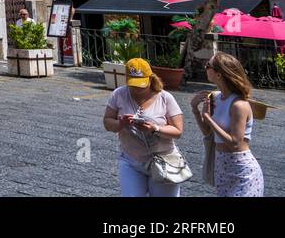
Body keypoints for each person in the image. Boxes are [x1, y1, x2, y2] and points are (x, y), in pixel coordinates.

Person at [104, 58, 186, 197]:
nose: (137, 89)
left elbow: (177, 131)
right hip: (131, 161)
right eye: (133, 85)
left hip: (163, 160)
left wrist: (155, 128)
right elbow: (107, 122)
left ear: (150, 78)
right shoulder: (119, 94)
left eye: (141, 85)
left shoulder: (165, 98)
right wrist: (121, 124)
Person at [193, 53, 264, 196]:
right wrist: (195, 110)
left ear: (219, 75)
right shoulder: (215, 97)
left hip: (243, 170)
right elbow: (208, 133)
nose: (205, 68)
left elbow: (235, 143)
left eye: (208, 66)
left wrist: (208, 118)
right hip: (222, 168)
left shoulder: (239, 105)